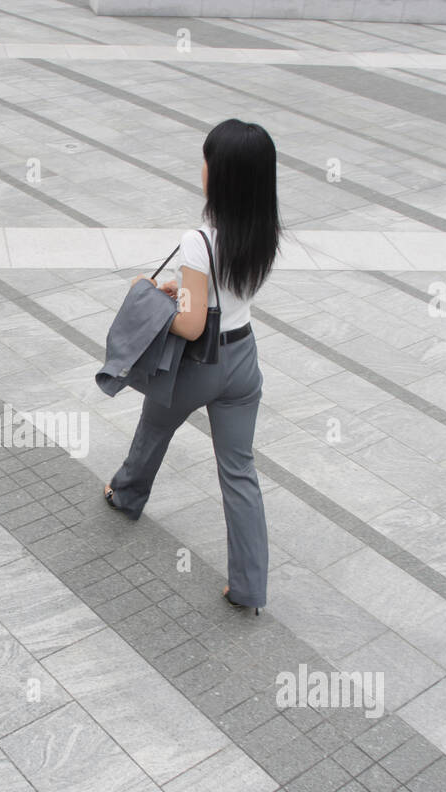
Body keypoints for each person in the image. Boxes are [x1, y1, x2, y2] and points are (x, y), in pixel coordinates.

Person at [103, 119, 281, 612]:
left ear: (218, 175)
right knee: (239, 472)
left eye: (206, 160)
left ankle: (126, 494)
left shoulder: (198, 241)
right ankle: (248, 587)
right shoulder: (264, 233)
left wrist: (152, 294)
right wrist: (181, 293)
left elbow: (191, 325)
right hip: (244, 360)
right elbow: (225, 299)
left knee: (155, 424)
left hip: (200, 365)